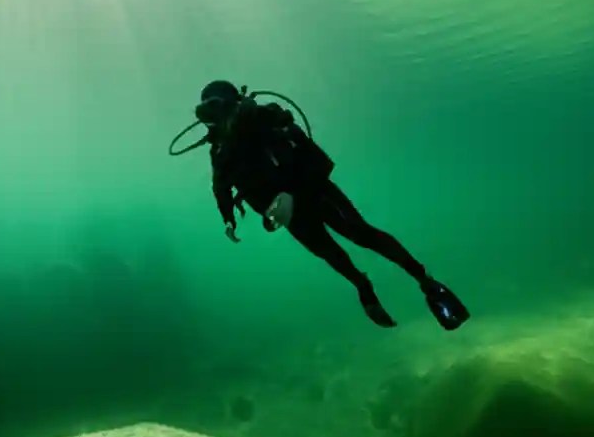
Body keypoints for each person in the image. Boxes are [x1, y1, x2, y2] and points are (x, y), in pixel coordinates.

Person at [195, 80, 469, 329]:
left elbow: (297, 139)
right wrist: (227, 217)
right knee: (328, 252)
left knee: (361, 234)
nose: (215, 114)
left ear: (233, 101)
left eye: (217, 104)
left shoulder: (263, 116)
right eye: (208, 108)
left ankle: (424, 280)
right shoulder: (219, 146)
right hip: (283, 210)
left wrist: (274, 129)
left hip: (312, 190)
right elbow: (220, 184)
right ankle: (364, 288)